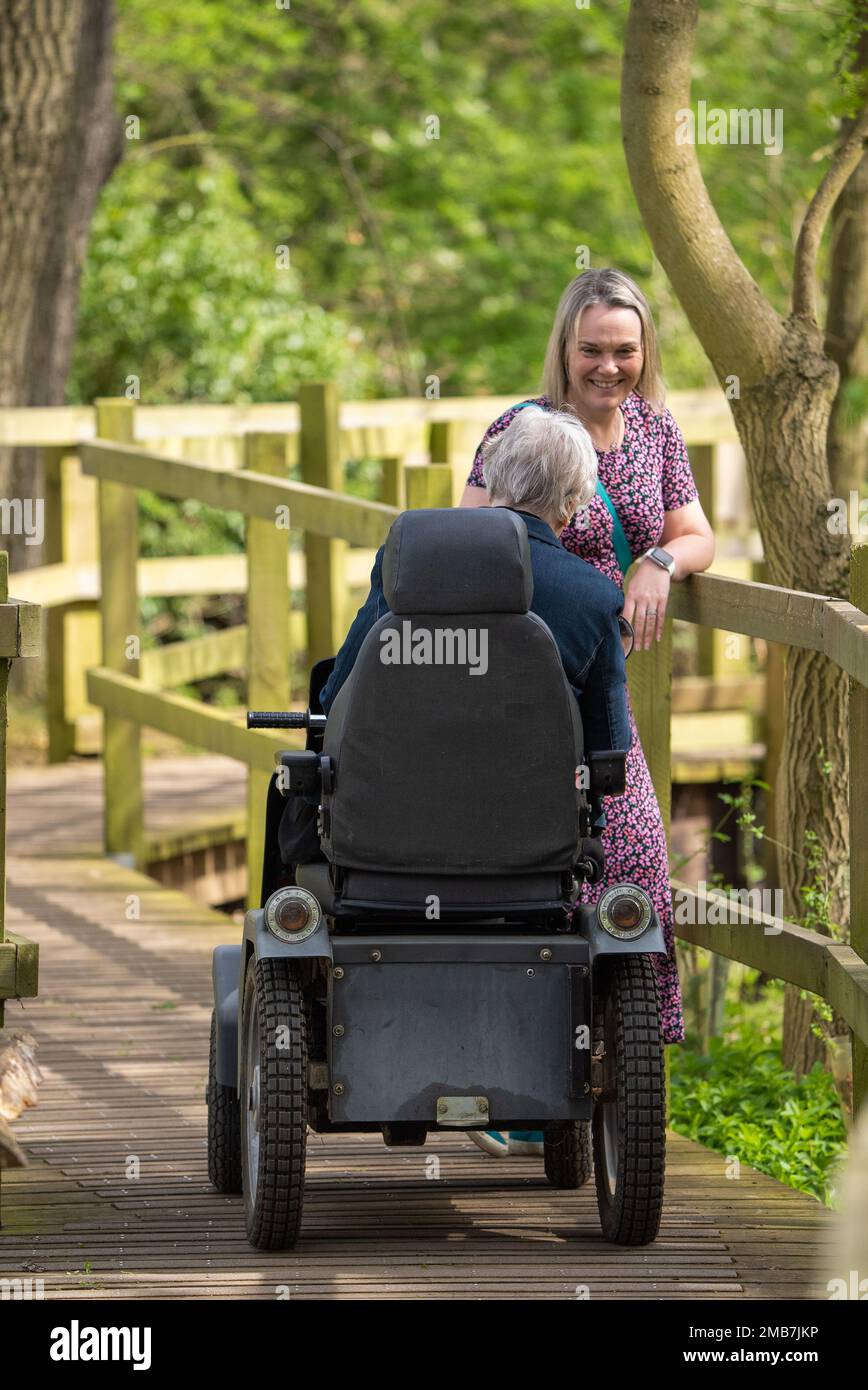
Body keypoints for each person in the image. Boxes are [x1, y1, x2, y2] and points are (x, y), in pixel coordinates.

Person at [459, 267, 715, 1055]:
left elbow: (698, 533)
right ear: (565, 350)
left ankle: (617, 1048)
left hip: (602, 672)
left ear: (646, 352)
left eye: (625, 351)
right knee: (519, 858)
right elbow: (471, 536)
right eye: (592, 350)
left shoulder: (657, 431)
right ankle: (515, 1046)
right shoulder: (522, 427)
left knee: (630, 844)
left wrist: (661, 563)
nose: (609, 367)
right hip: (508, 673)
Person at [317, 405, 631, 757]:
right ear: (572, 504)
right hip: (535, 807)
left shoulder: (408, 561)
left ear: (493, 477)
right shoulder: (594, 598)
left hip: (400, 801)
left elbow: (335, 697)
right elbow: (610, 750)